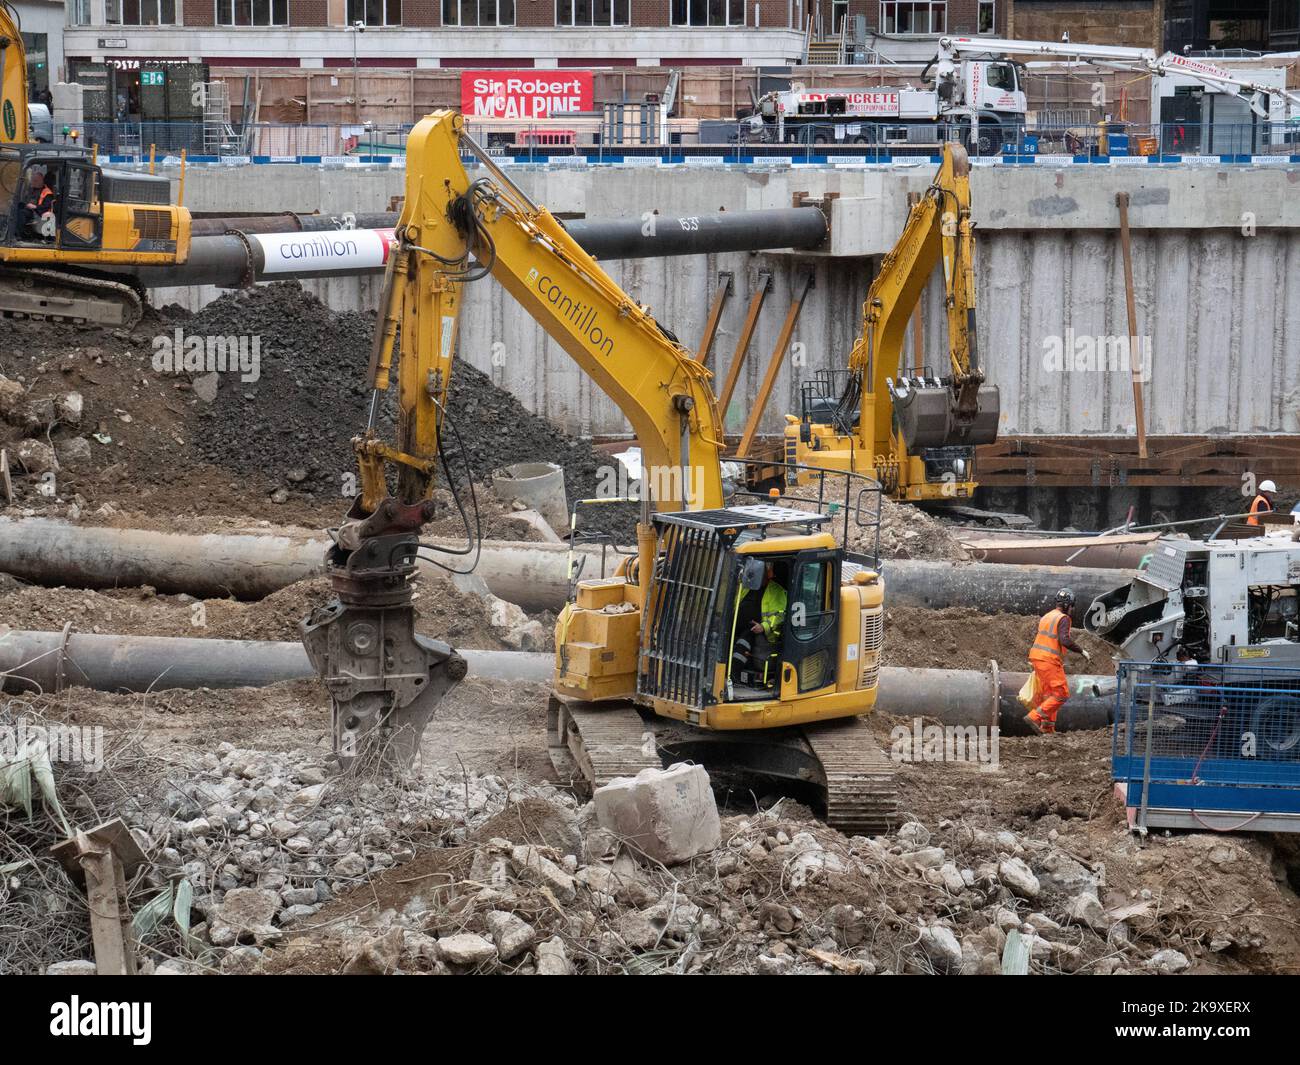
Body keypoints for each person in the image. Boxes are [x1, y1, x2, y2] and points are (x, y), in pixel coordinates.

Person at [1025, 588, 1091, 735]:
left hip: (1037, 658)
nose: (1072, 609)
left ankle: (1047, 728)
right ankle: (1034, 717)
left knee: (1050, 694)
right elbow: (1064, 640)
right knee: (1061, 694)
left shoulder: (1047, 616)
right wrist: (1082, 651)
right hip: (1049, 660)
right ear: (1067, 605)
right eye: (1072, 606)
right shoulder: (1063, 619)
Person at [731, 563, 786, 688]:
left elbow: (780, 615)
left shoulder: (776, 591)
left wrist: (763, 626)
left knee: (743, 641)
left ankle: (733, 674)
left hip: (760, 631)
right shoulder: (747, 586)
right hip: (739, 624)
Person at [22, 169, 56, 240]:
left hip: (39, 213)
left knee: (21, 213)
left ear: (41, 181)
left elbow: (47, 206)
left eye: (35, 181)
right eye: (33, 180)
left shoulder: (47, 193)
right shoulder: (32, 190)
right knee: (18, 208)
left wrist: (35, 206)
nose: (33, 182)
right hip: (31, 210)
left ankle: (20, 235)